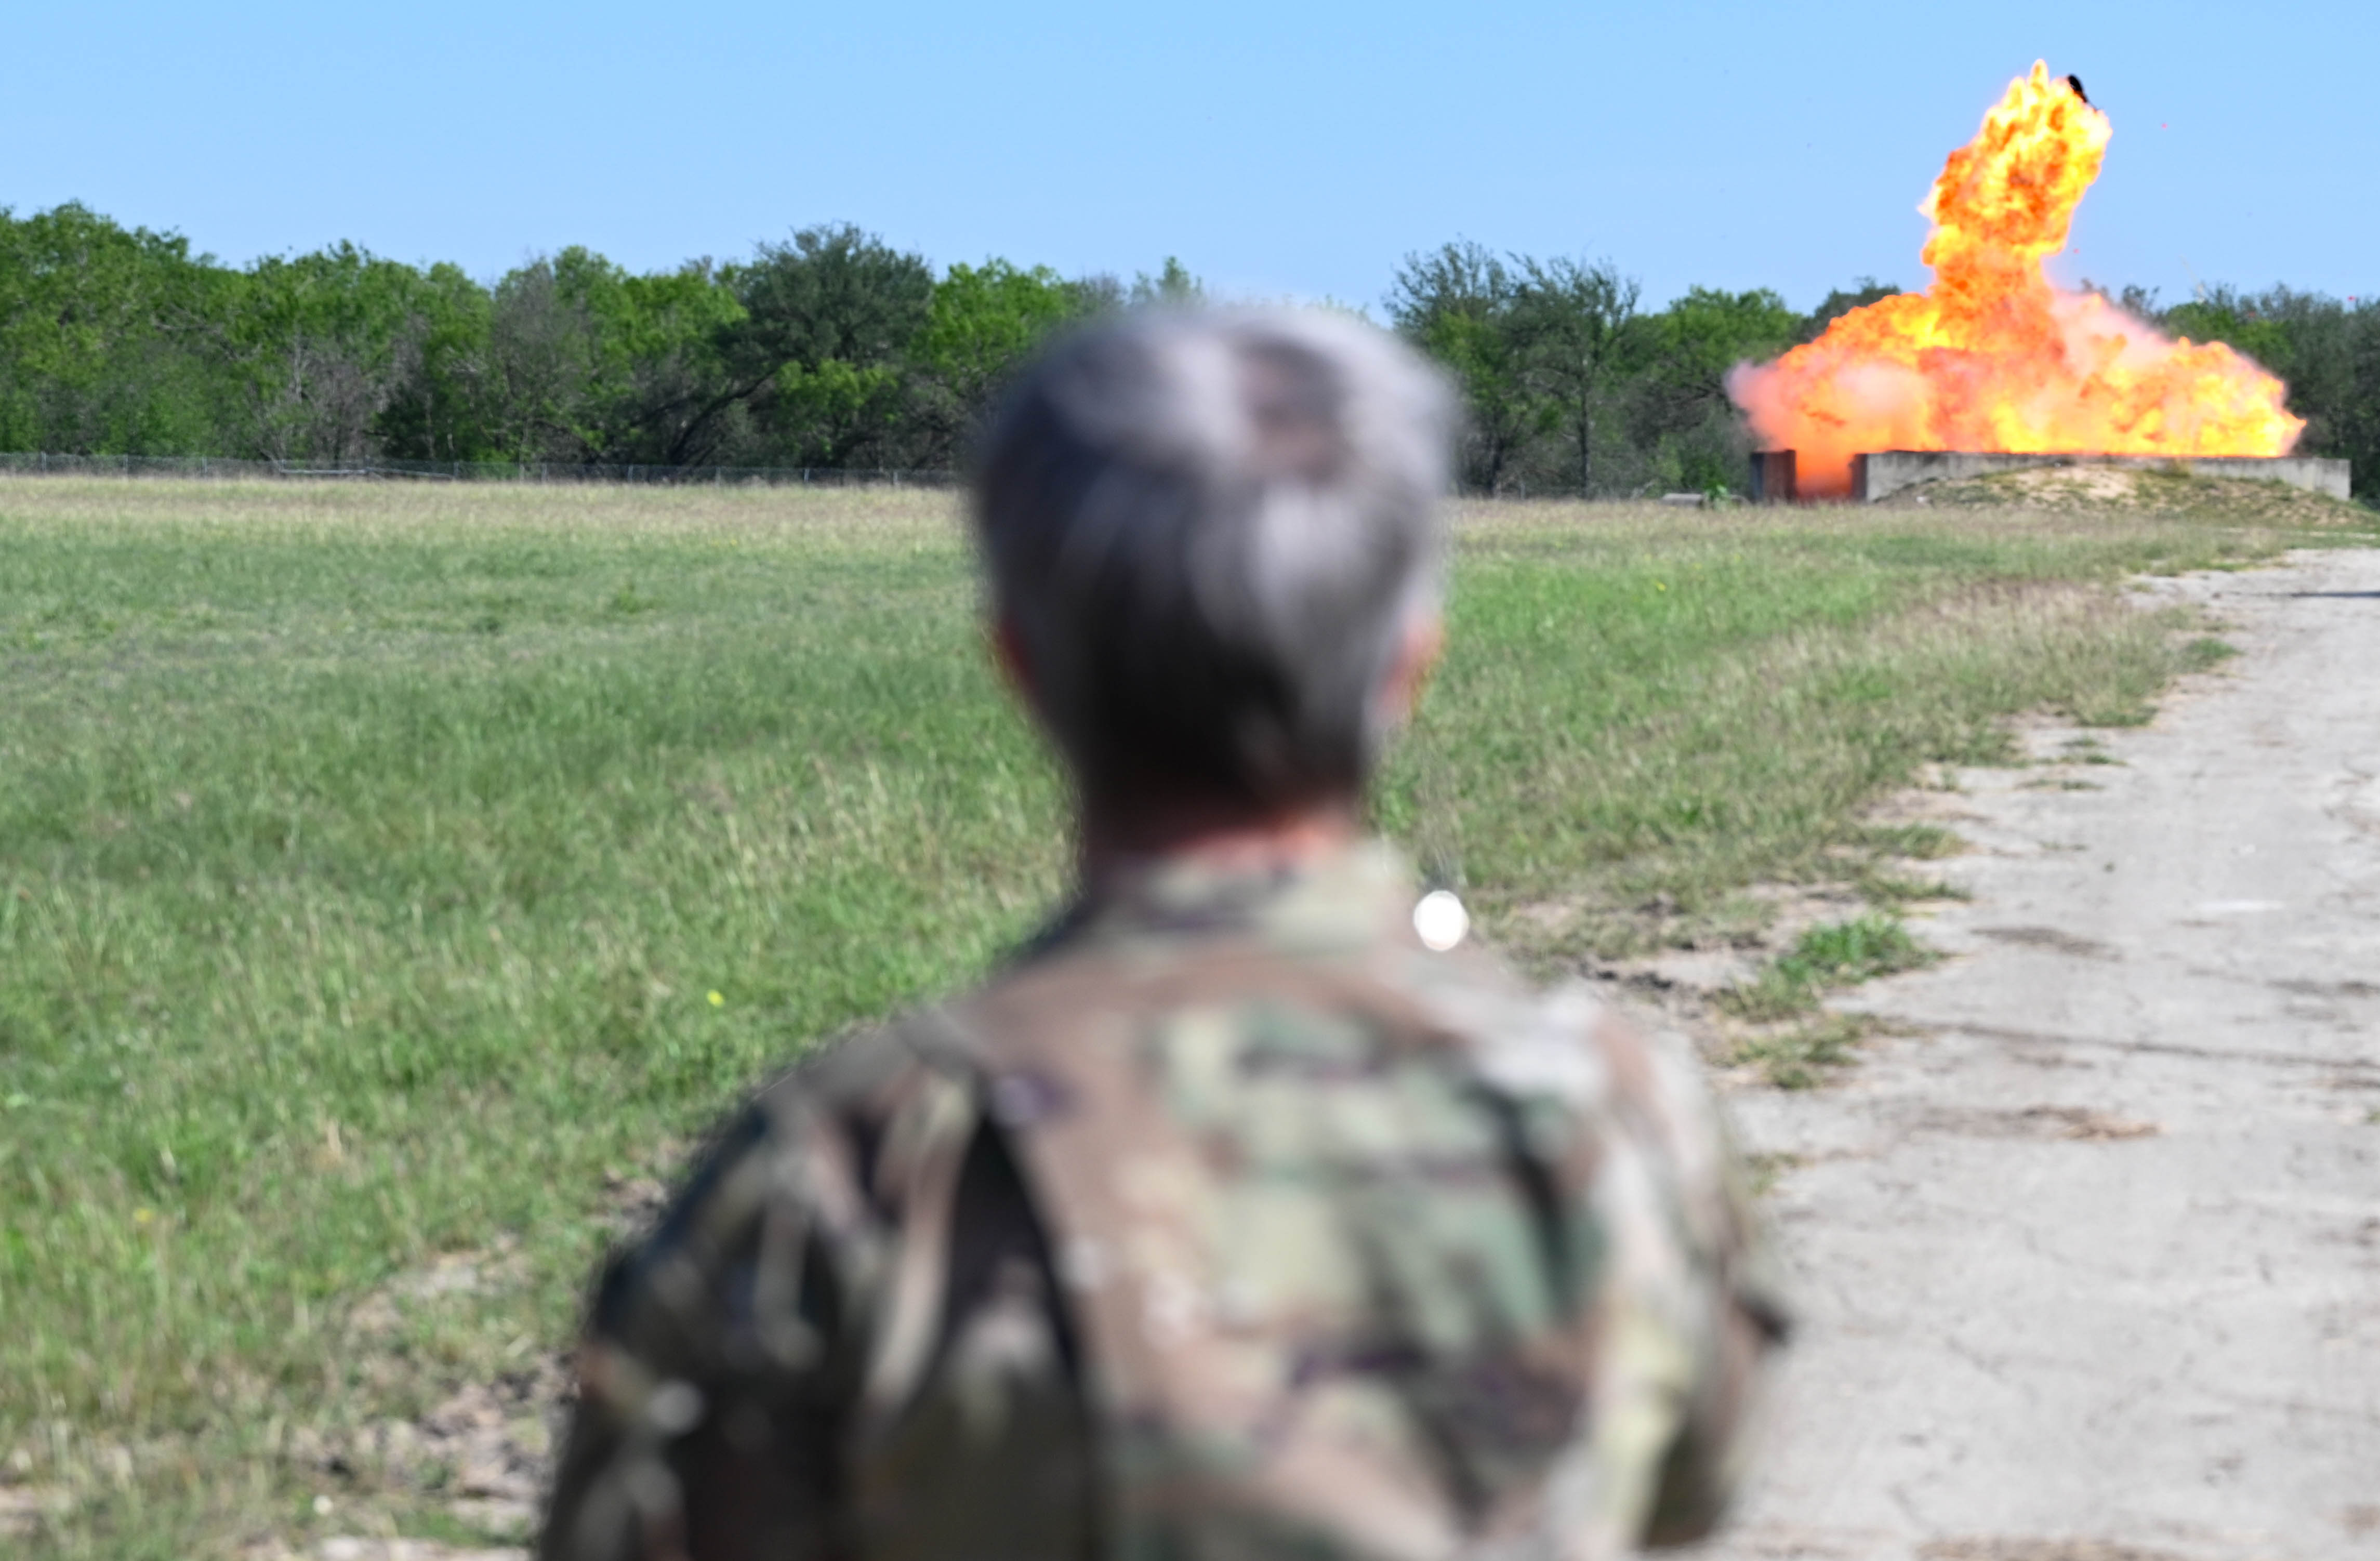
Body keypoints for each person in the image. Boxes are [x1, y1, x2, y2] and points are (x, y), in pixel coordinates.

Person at [540, 305, 1787, 1561]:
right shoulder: (1617, 1113)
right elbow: (1686, 1488)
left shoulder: (853, 1173)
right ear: (1408, 665)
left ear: (1019, 663)